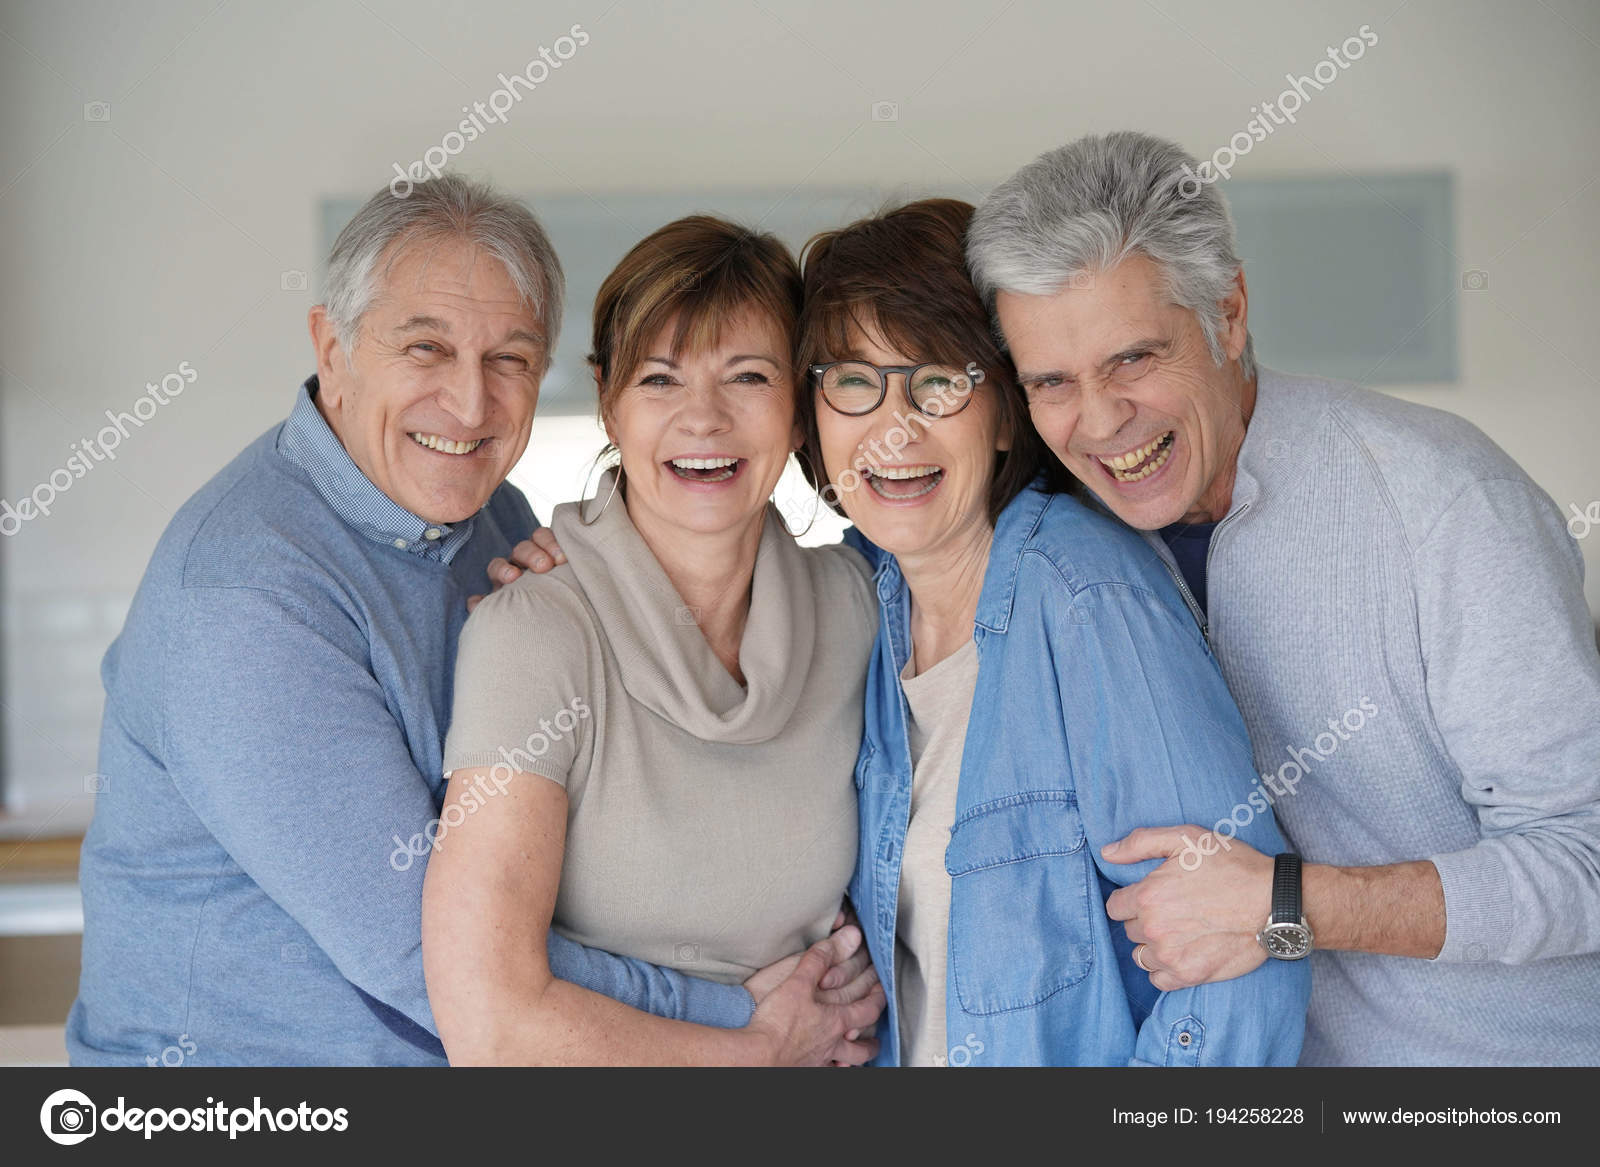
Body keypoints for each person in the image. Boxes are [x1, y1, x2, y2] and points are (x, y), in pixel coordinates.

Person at [69, 177, 868, 1066]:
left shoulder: (487, 512)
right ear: (332, 349)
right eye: (426, 347)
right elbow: (438, 954)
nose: (468, 402)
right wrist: (736, 1005)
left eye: (511, 359)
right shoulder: (245, 599)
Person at [968, 130, 1600, 1065]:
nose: (1100, 421)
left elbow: (1585, 856)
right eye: (1053, 382)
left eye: (1134, 359)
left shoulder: (1445, 504)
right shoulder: (1062, 549)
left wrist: (1287, 907)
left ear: (1228, 313)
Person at [793, 198, 1310, 1065]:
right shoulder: (861, 595)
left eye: (939, 382)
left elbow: (1238, 974)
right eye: (852, 380)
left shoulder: (1088, 597)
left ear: (1005, 412)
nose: (893, 427)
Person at [421, 214, 886, 1065]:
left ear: (798, 406)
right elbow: (489, 1025)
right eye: (660, 380)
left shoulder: (856, 606)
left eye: (747, 376)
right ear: (608, 399)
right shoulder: (535, 634)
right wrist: (760, 1054)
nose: (702, 419)